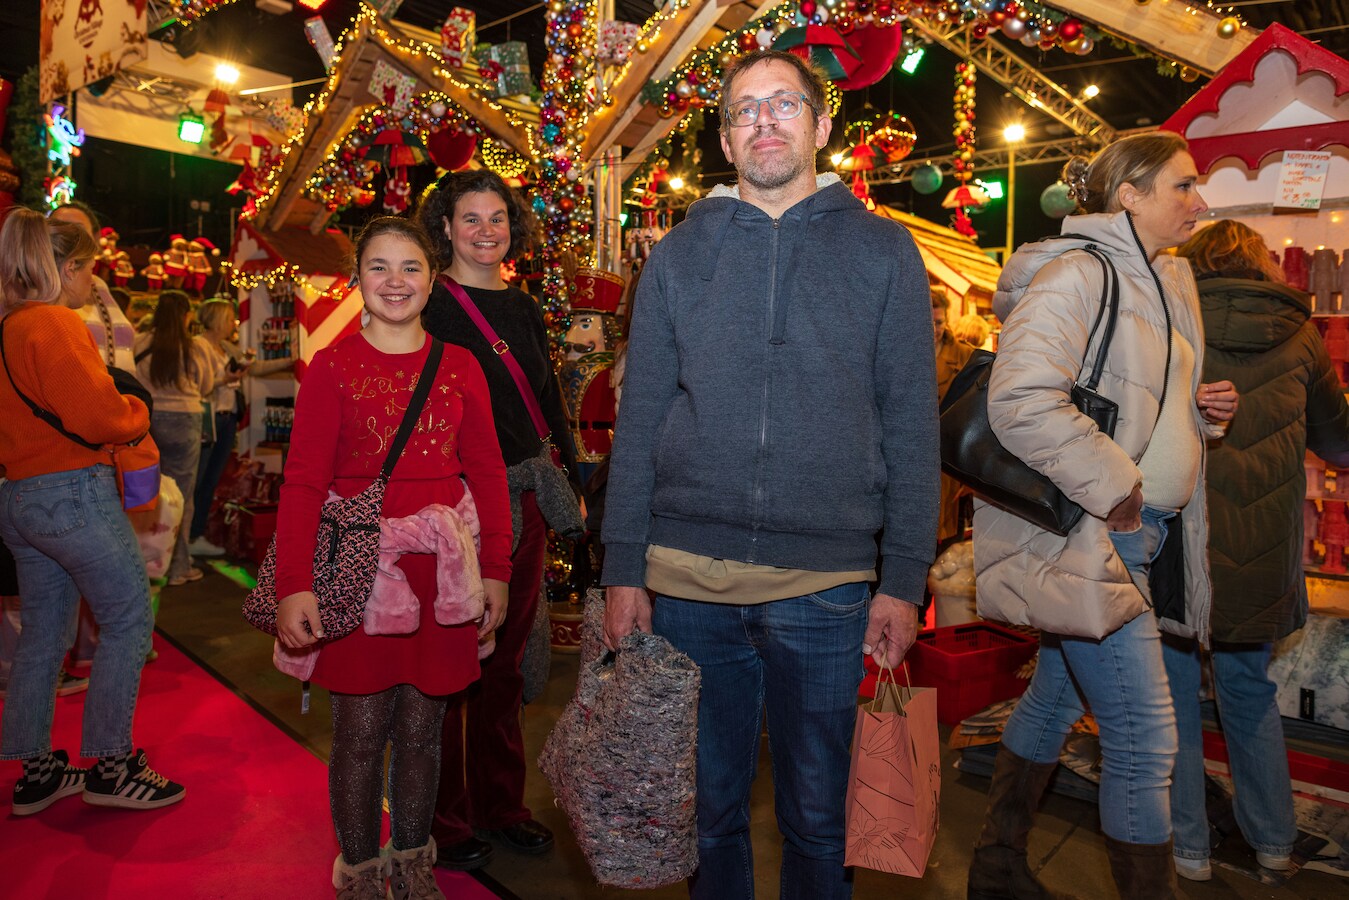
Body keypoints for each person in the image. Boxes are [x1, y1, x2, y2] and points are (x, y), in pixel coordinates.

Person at [601, 50, 939, 899]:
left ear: (820, 126)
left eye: (783, 103)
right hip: (687, 582)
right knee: (706, 812)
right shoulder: (679, 255)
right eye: (744, 109)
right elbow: (639, 420)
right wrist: (621, 567)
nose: (763, 121)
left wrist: (904, 579)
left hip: (825, 587)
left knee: (820, 821)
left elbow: (910, 420)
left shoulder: (883, 250)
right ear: (725, 138)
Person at [967, 132, 1238, 900]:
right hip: (1099, 532)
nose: (1198, 201)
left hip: (1142, 533)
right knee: (1144, 738)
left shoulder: (1169, 279)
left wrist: (1202, 413)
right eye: (1181, 185)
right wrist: (1117, 491)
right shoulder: (1079, 272)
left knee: (1054, 698)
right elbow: (1020, 399)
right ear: (1129, 194)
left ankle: (994, 870)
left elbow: (1136, 404)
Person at [274, 216, 511, 898]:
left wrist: (496, 569)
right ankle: (358, 870)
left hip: (442, 579)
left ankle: (411, 861)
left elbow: (487, 472)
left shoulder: (461, 365)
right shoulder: (332, 367)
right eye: (378, 266)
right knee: (358, 734)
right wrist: (295, 584)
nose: (395, 281)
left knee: (422, 733)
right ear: (358, 279)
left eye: (410, 267)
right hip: (359, 573)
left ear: (433, 281)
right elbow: (303, 483)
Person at [1164, 219, 1349, 881]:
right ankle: (1272, 841)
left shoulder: (1171, 323)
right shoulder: (1300, 334)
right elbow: (1339, 444)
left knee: (1173, 696)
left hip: (1179, 540)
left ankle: (1187, 849)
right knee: (1248, 692)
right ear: (1264, 266)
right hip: (1263, 544)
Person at [417, 169, 578, 871]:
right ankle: (445, 817)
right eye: (471, 219)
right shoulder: (429, 305)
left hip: (524, 498)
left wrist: (573, 481)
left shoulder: (523, 308)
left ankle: (502, 804)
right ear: (445, 229)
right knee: (454, 660)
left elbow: (548, 403)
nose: (486, 232)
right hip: (455, 506)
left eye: (497, 218)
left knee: (506, 661)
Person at [0, 209, 184, 814]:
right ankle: (113, 765)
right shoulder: (53, 322)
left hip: (20, 496)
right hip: (72, 492)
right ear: (67, 268)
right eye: (88, 270)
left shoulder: (8, 325)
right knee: (128, 619)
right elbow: (99, 415)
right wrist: (137, 413)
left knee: (43, 634)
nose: (91, 282)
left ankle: (37, 770)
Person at [133, 290, 213, 586]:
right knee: (182, 494)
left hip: (149, 420)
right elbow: (205, 385)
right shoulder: (194, 346)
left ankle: (147, 561)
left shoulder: (141, 341)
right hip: (185, 421)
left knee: (149, 491)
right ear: (186, 315)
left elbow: (133, 379)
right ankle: (178, 566)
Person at [934, 288, 976, 547]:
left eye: (939, 322)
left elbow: (975, 410)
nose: (934, 329)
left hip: (952, 461)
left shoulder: (964, 354)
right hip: (914, 456)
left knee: (950, 539)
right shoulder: (905, 350)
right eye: (928, 321)